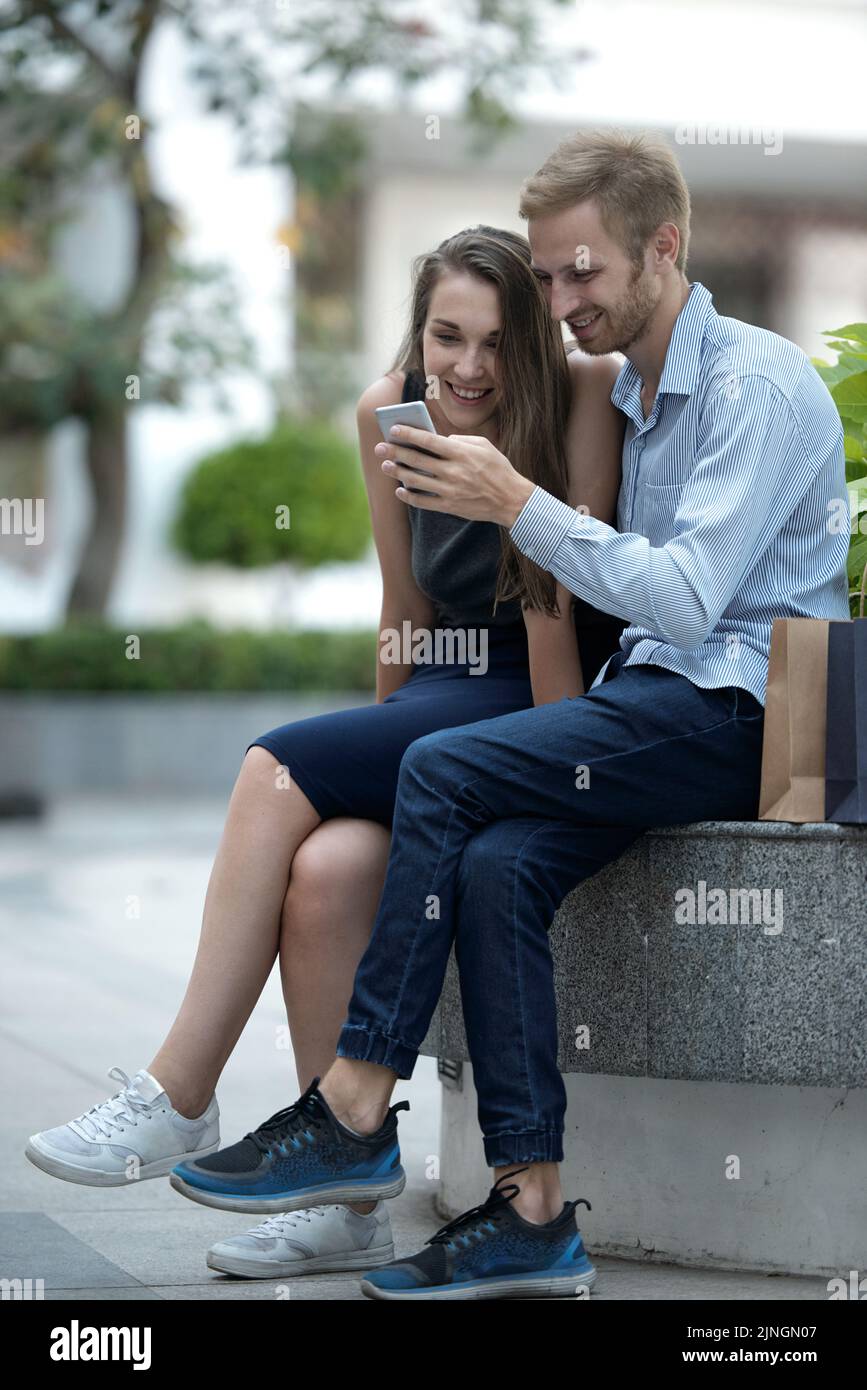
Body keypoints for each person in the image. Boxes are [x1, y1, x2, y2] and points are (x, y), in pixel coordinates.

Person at [152, 129, 850, 1301]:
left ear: (663, 249)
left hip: (744, 711)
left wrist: (516, 502)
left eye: (583, 272)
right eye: (549, 274)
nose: (562, 299)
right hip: (652, 706)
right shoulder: (631, 388)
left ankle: (355, 1101)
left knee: (439, 770)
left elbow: (684, 601)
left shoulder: (758, 386)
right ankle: (531, 1210)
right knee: (494, 865)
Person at [25, 225, 627, 1280]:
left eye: (495, 342)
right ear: (419, 328)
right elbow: (402, 606)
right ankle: (343, 1194)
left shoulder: (582, 396)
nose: (470, 367)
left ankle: (179, 1093)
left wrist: (543, 757)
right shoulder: (383, 410)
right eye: (448, 336)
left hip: (539, 682)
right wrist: (369, 777)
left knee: (272, 764)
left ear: (528, 340)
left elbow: (562, 631)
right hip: (438, 692)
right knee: (327, 861)